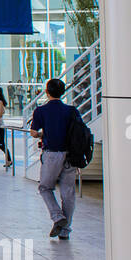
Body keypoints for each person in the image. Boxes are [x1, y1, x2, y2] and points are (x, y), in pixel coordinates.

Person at [30, 78, 79, 240]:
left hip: (52, 154)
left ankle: (57, 217)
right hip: (71, 154)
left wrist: (42, 134)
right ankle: (65, 231)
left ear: (47, 91)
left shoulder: (41, 111)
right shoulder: (71, 111)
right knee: (68, 193)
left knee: (45, 187)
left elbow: (34, 132)